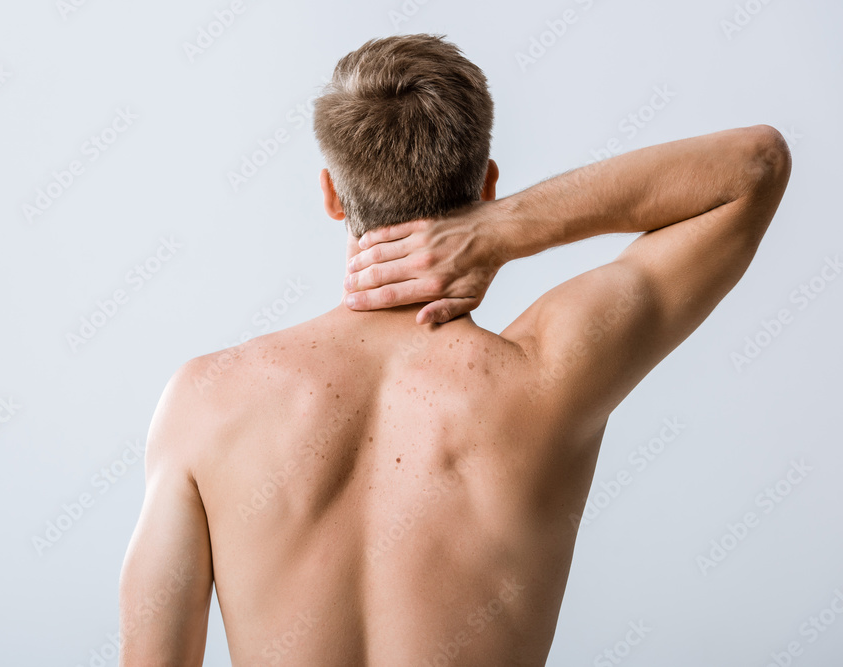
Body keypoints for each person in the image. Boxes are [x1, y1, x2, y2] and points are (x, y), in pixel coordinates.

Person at [118, 34, 791, 666]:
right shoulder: (551, 374)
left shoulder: (204, 401)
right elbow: (755, 165)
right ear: (488, 182)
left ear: (330, 193)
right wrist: (508, 228)